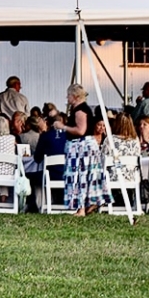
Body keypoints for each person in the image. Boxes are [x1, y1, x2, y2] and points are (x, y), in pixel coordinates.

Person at [55, 84, 105, 216]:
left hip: (80, 148)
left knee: (79, 177)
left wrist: (63, 127)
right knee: (87, 176)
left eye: (69, 95)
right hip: (85, 146)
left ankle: (81, 208)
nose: (67, 98)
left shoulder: (80, 110)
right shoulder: (83, 109)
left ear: (75, 96)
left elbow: (80, 130)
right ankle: (91, 202)